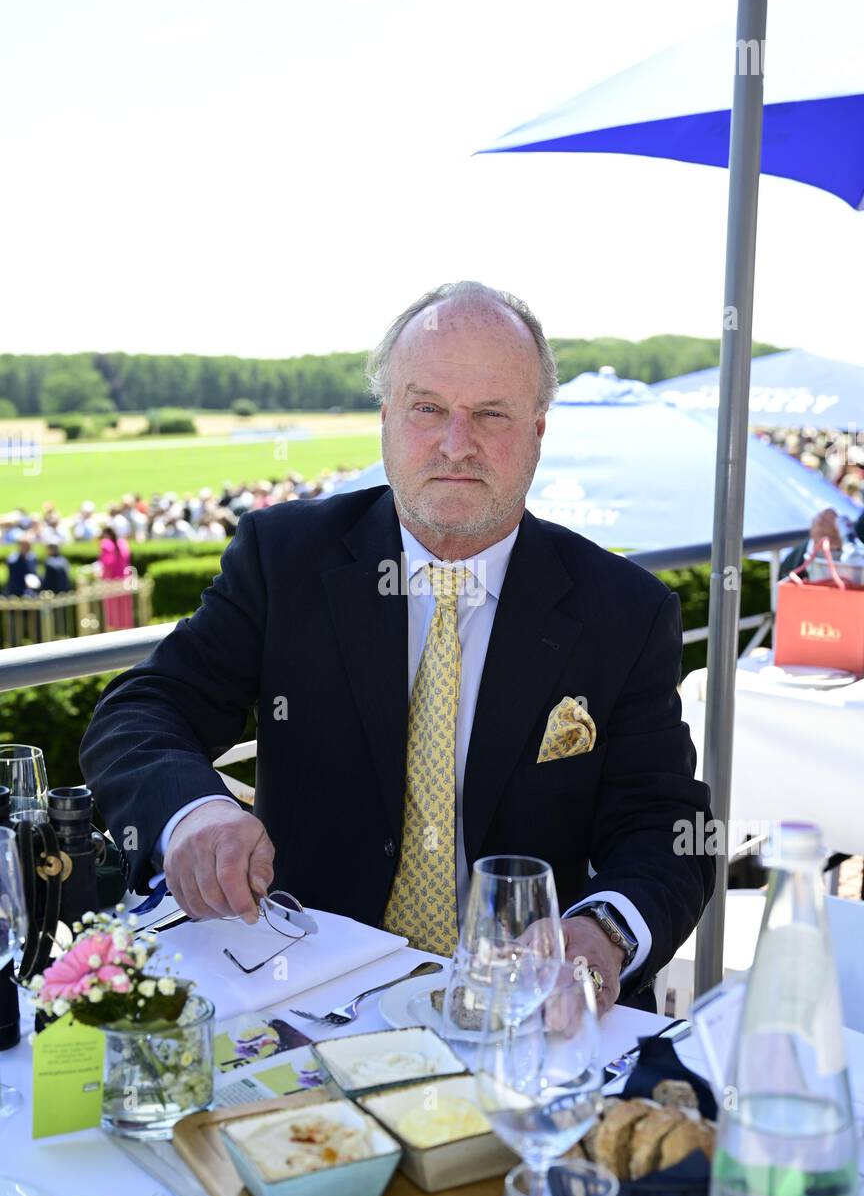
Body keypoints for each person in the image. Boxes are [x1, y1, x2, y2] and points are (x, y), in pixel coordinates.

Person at [80, 281, 714, 1020]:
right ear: (386, 419)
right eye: (427, 408)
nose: (456, 443)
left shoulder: (625, 610)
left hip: (513, 1012)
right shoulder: (284, 561)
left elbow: (668, 827)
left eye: (491, 414)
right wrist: (195, 814)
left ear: (539, 430)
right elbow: (141, 713)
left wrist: (603, 930)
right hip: (301, 991)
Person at [99, 524, 133, 630]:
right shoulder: (123, 543)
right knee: (125, 611)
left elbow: (107, 563)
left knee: (113, 612)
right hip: (125, 580)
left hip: (112, 581)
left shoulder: (106, 544)